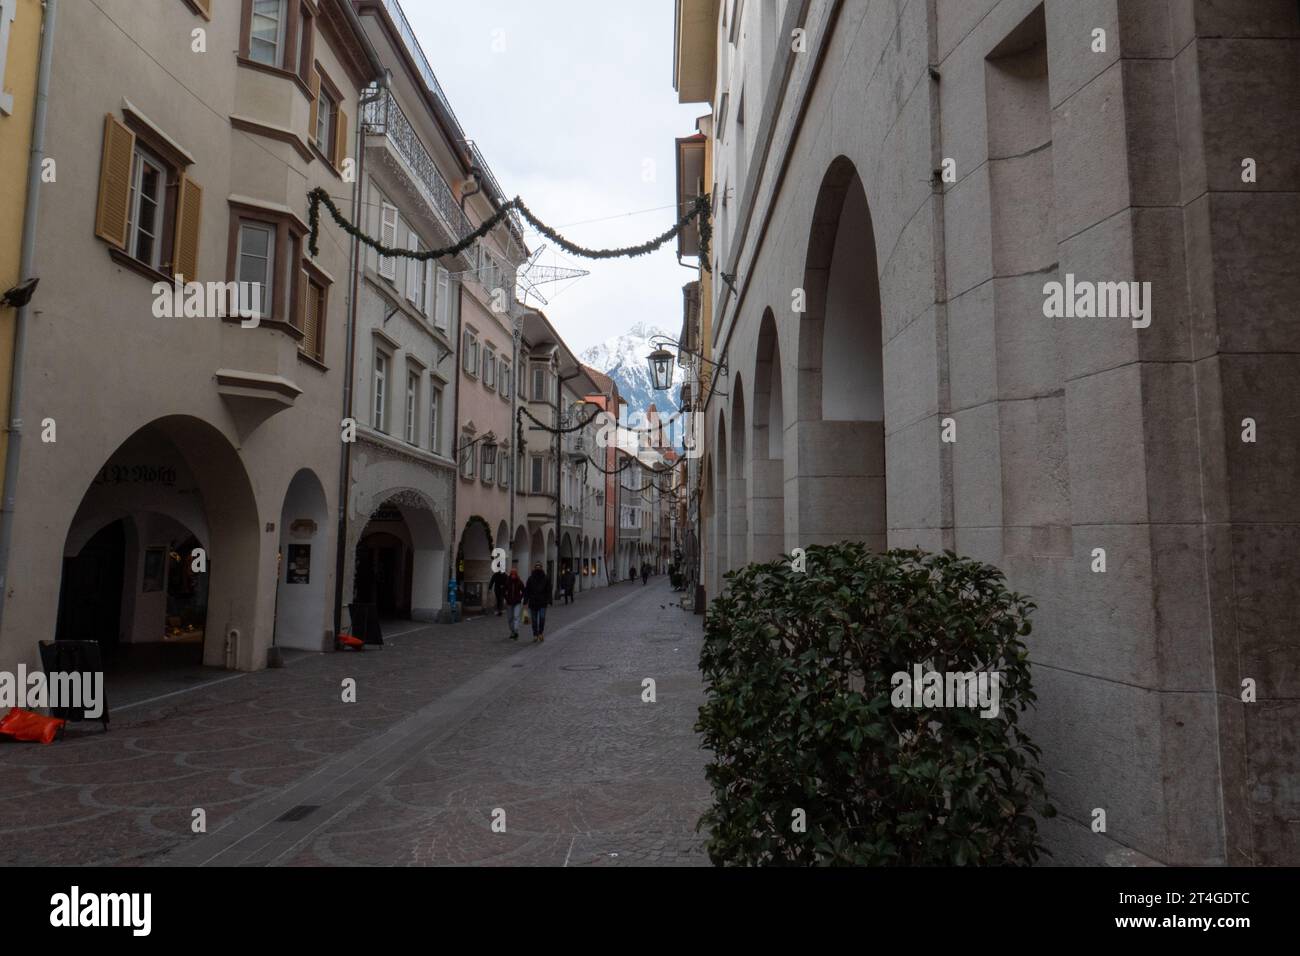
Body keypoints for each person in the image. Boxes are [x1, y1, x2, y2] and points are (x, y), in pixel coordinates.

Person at [524, 562, 551, 643]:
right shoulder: (530, 578)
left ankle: (540, 633)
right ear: (534, 568)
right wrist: (526, 601)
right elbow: (527, 590)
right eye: (537, 567)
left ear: (542, 568)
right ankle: (535, 634)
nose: (538, 568)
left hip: (542, 602)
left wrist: (549, 599)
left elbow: (548, 589)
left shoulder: (545, 578)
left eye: (539, 567)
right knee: (534, 620)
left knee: (542, 618)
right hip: (533, 602)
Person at [504, 566, 525, 640]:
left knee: (516, 617)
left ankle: (516, 631)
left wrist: (520, 598)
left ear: (516, 574)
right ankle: (512, 632)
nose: (513, 575)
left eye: (514, 574)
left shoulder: (519, 582)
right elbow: (504, 591)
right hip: (509, 603)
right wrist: (506, 598)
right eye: (512, 574)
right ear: (510, 574)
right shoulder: (507, 582)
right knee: (510, 618)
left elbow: (523, 591)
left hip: (517, 603)